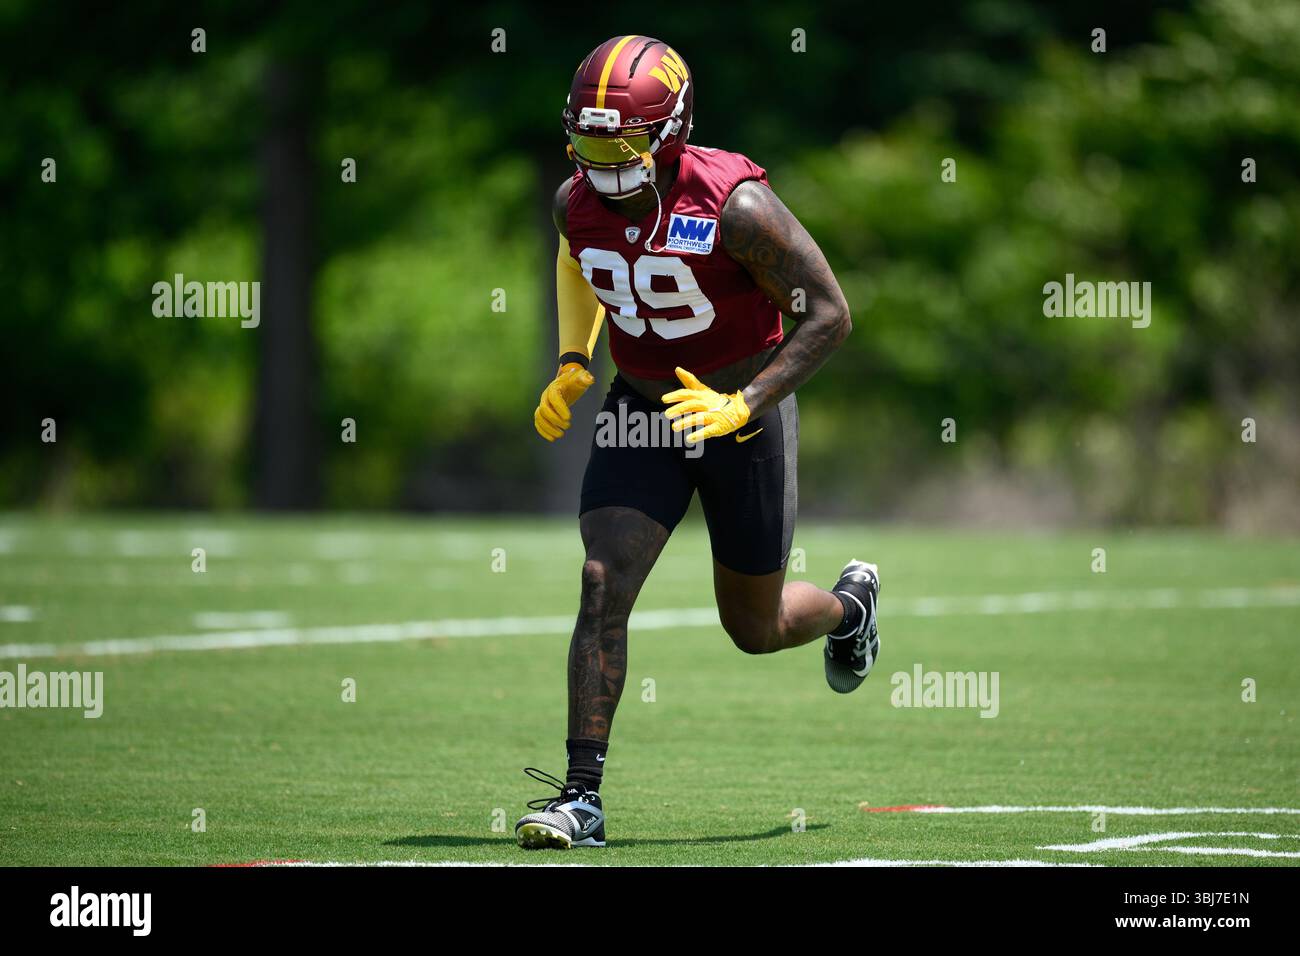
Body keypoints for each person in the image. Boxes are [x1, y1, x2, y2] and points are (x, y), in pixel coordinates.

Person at [516, 35, 881, 850]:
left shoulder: (734, 206)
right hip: (642, 409)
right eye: (589, 141)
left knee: (754, 628)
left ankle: (850, 607)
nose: (603, 162)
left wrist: (743, 401)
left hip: (740, 414)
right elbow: (577, 259)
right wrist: (576, 360)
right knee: (601, 580)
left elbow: (829, 313)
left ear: (671, 133)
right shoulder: (576, 199)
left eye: (623, 144)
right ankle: (582, 798)